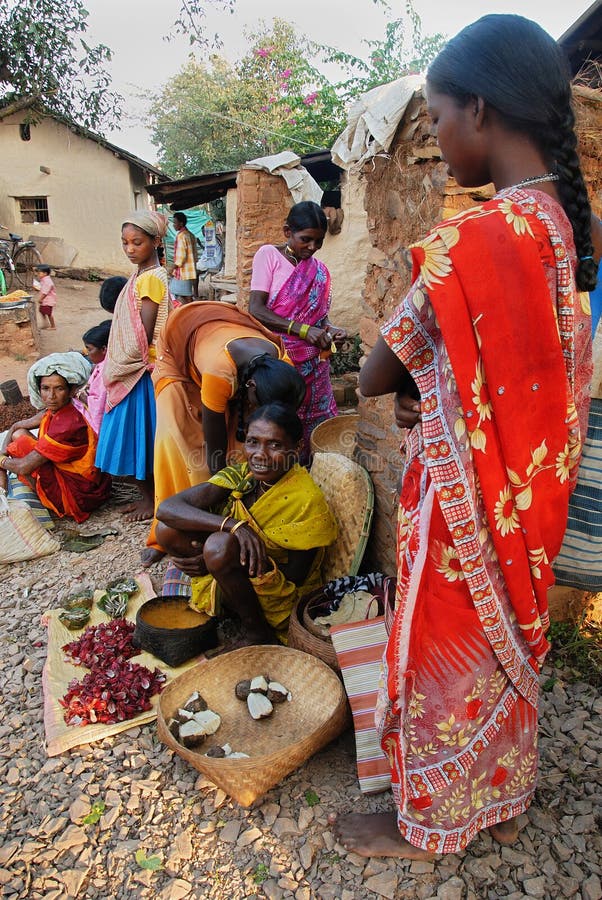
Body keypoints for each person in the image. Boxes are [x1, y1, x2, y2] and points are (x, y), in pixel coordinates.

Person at [334, 14, 595, 859]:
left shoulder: (475, 239)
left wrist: (420, 385)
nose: (440, 139)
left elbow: (377, 373)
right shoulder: (559, 228)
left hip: (463, 503)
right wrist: (440, 389)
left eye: (440, 117)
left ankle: (430, 823)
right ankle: (503, 798)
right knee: (502, 649)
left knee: (440, 653)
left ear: (478, 109)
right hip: (527, 503)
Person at [155, 403, 337, 646]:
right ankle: (227, 603)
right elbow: (166, 509)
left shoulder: (305, 500)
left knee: (218, 546)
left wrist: (222, 561)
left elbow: (296, 577)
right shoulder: (242, 476)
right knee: (166, 529)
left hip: (274, 595)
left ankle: (258, 632)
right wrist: (234, 526)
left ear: (296, 449)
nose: (260, 454)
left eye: (275, 445)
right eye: (253, 442)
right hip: (233, 577)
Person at [143, 300, 307, 565]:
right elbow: (214, 449)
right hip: (178, 352)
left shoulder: (282, 365)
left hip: (219, 341)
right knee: (178, 445)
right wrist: (225, 505)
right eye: (256, 404)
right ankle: (172, 532)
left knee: (246, 443)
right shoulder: (220, 372)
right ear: (250, 386)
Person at [249, 201, 347, 461]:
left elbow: (320, 319)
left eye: (318, 242)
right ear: (287, 232)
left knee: (317, 424)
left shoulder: (319, 271)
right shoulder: (268, 255)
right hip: (280, 362)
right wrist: (303, 331)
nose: (312, 247)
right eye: (306, 239)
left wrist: (330, 330)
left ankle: (313, 470)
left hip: (314, 365)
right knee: (280, 421)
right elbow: (256, 309)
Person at [95, 211, 172, 522]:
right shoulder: (142, 276)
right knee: (140, 436)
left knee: (141, 436)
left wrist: (120, 360)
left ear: (155, 241)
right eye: (125, 243)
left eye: (137, 242)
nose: (129, 249)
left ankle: (152, 499)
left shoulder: (151, 278)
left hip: (141, 370)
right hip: (139, 368)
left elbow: (142, 330)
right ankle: (148, 496)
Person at [0, 352, 112, 522]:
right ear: (39, 390)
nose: (51, 396)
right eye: (45, 389)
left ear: (71, 390)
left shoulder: (67, 424)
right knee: (19, 435)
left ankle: (47, 502)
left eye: (59, 388)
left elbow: (24, 467)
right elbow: (17, 425)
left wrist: (1, 462)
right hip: (94, 485)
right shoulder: (61, 408)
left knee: (21, 443)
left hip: (79, 497)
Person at [79, 320, 111, 435]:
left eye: (89, 349)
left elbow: (99, 407)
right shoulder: (102, 366)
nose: (87, 353)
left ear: (103, 349)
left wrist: (82, 398)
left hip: (96, 424)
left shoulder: (105, 371)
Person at [169, 211, 198, 303]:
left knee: (175, 292)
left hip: (182, 271)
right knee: (186, 294)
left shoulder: (181, 236)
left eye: (175, 222)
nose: (173, 225)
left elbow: (181, 257)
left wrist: (172, 267)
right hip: (189, 270)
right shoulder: (190, 234)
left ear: (181, 223)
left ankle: (188, 312)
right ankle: (191, 311)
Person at [34, 264, 57, 330]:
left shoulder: (47, 281)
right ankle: (46, 323)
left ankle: (53, 326)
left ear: (45, 273)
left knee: (49, 313)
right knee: (42, 310)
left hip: (48, 300)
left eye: (39, 273)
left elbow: (45, 292)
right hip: (45, 300)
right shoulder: (44, 279)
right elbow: (42, 289)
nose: (37, 274)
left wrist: (40, 299)